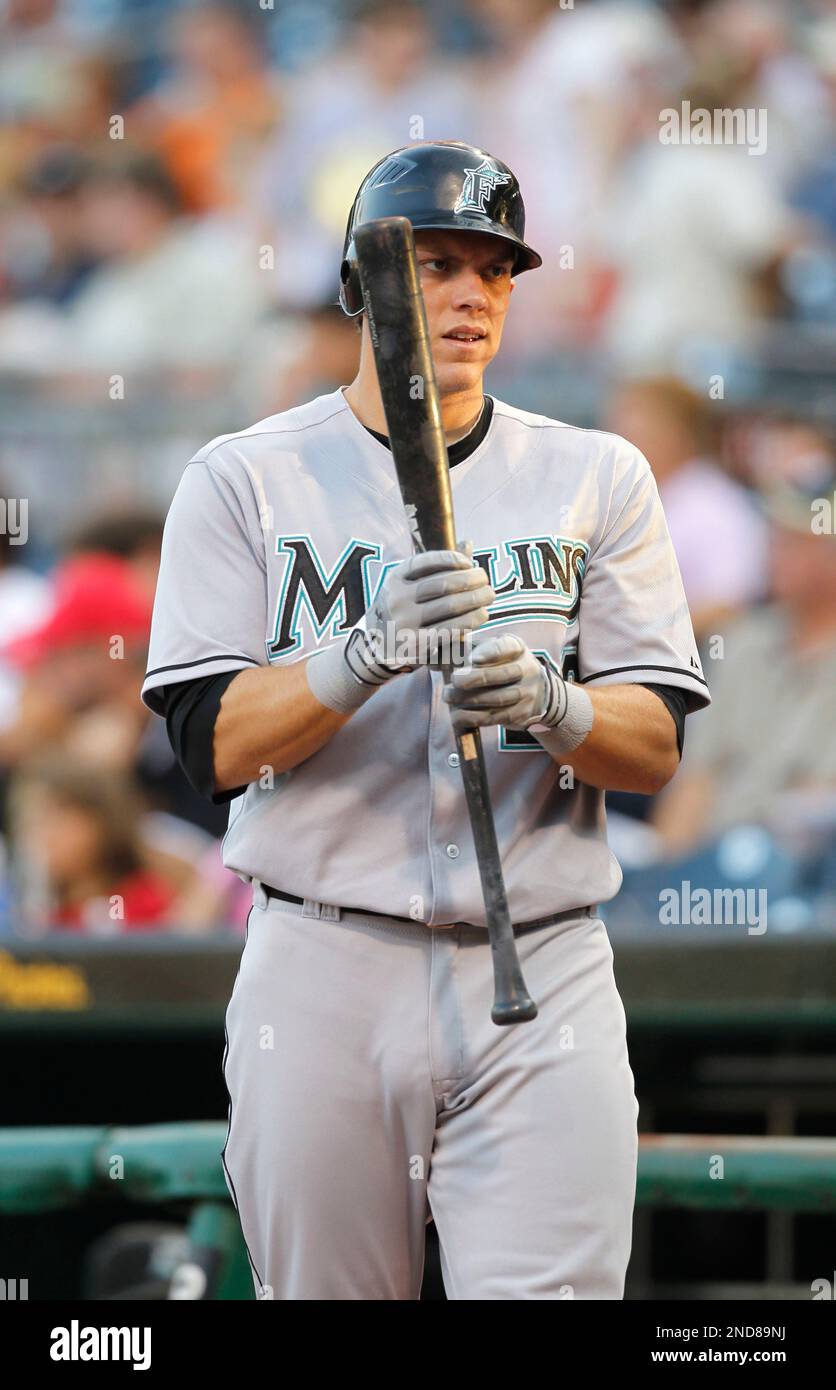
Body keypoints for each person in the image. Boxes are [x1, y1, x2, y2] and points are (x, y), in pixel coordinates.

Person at [141, 141, 710, 1300]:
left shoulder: (596, 474)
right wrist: (357, 656)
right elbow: (209, 742)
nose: (467, 295)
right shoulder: (244, 477)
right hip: (322, 956)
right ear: (364, 287)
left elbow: (651, 743)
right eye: (434, 265)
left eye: (492, 270)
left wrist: (555, 706)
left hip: (541, 957)